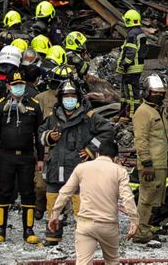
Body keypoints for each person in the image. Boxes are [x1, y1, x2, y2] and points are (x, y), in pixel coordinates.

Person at [41, 80, 115, 245]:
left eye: (72, 96)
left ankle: (84, 240)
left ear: (78, 98)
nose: (69, 99)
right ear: (60, 98)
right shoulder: (53, 118)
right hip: (55, 169)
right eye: (66, 96)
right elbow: (40, 135)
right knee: (53, 204)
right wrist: (48, 137)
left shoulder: (89, 117)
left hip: (78, 170)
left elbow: (107, 131)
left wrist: (90, 149)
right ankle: (52, 237)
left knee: (81, 207)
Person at [47, 138, 138, 265]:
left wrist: (55, 214)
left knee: (83, 262)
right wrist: (134, 220)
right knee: (112, 260)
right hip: (109, 225)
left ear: (97, 154)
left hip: (85, 224)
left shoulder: (82, 168)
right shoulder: (119, 171)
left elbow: (65, 192)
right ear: (115, 158)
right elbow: (127, 198)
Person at [0, 71, 44, 244]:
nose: (18, 88)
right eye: (14, 85)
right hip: (5, 156)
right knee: (4, 192)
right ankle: (0, 230)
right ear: (8, 86)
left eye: (21, 84)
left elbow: (39, 133)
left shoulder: (34, 106)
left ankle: (28, 230)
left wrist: (40, 158)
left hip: (27, 156)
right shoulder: (0, 106)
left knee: (28, 192)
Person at [133, 73, 168, 244]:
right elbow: (140, 139)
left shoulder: (159, 110)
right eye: (155, 93)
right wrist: (146, 163)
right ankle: (141, 232)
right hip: (152, 164)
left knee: (157, 199)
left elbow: (163, 138)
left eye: (161, 93)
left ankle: (149, 228)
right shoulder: (143, 112)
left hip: (162, 162)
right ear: (146, 92)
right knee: (147, 199)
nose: (158, 96)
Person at [115, 8, 149, 120]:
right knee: (126, 92)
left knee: (130, 93)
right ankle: (123, 113)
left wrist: (124, 64)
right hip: (137, 67)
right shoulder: (141, 33)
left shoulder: (131, 34)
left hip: (130, 68)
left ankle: (131, 116)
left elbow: (130, 51)